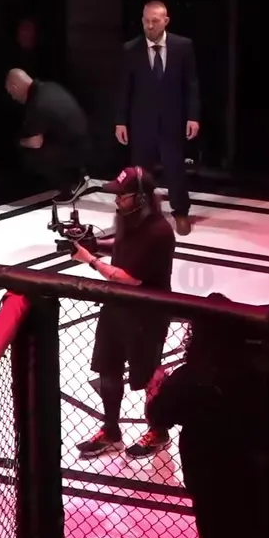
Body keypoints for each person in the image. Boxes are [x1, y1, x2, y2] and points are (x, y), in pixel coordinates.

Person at [147, 293, 255, 538]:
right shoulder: (256, 367)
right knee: (252, 537)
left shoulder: (190, 376)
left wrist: (155, 391)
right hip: (254, 464)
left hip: (209, 471)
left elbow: (161, 417)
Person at [69, 167, 177, 459]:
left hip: (147, 314)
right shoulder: (130, 221)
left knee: (148, 374)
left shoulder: (158, 231)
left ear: (141, 198)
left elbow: (129, 278)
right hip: (116, 306)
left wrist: (90, 259)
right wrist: (93, 243)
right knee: (108, 368)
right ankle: (111, 430)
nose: (117, 201)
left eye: (122, 196)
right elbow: (121, 245)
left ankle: (159, 431)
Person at [114, 1, 201, 236]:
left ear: (166, 21)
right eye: (146, 21)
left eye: (155, 21)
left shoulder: (182, 46)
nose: (150, 26)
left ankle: (180, 212)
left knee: (175, 168)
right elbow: (124, 88)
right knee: (141, 171)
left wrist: (193, 116)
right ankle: (143, 213)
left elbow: (191, 84)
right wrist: (120, 121)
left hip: (173, 119)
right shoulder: (131, 49)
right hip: (142, 120)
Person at [4, 69, 91, 198]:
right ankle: (75, 173)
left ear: (15, 87)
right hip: (85, 140)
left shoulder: (37, 103)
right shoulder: (50, 86)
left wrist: (19, 142)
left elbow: (35, 143)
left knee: (30, 153)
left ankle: (70, 183)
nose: (13, 98)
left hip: (75, 150)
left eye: (11, 93)